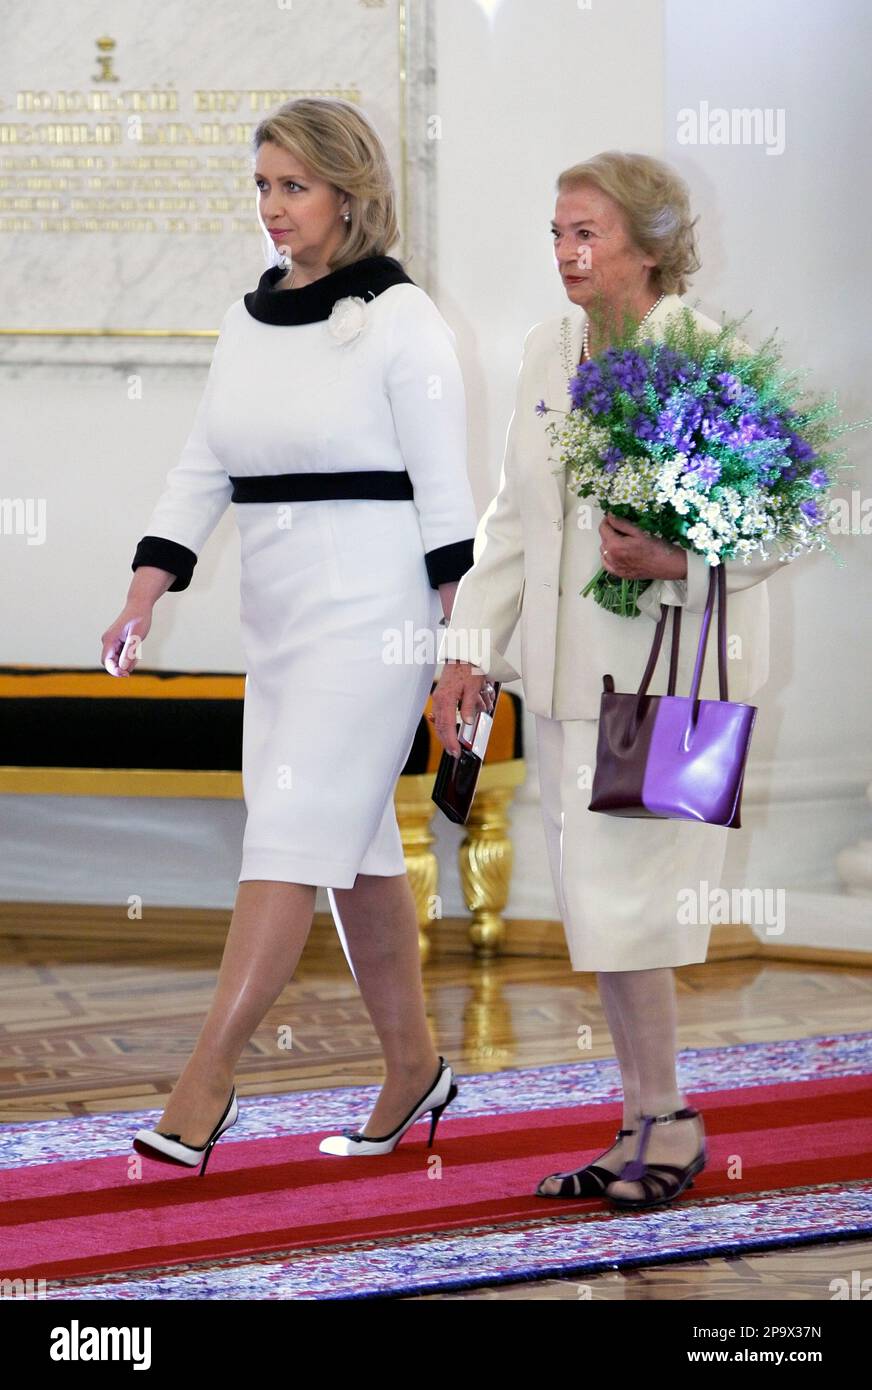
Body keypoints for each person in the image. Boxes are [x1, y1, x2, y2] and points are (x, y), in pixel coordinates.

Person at [101, 97, 480, 1174]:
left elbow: (449, 501)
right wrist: (144, 594)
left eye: (293, 187)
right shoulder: (245, 317)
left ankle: (204, 1078)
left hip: (375, 617)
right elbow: (201, 467)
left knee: (286, 832)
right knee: (347, 845)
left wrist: (461, 647)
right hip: (277, 614)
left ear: (349, 195)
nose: (271, 208)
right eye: (262, 185)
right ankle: (413, 1067)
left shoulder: (403, 320)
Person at [432, 151, 785, 1210]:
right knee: (601, 911)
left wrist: (677, 557)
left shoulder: (704, 354)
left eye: (584, 232)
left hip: (669, 680)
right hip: (559, 680)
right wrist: (467, 652)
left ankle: (665, 1116)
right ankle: (642, 1119)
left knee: (632, 908)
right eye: (554, 232)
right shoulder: (549, 350)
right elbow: (507, 521)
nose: (564, 252)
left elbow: (772, 517)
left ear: (647, 241)